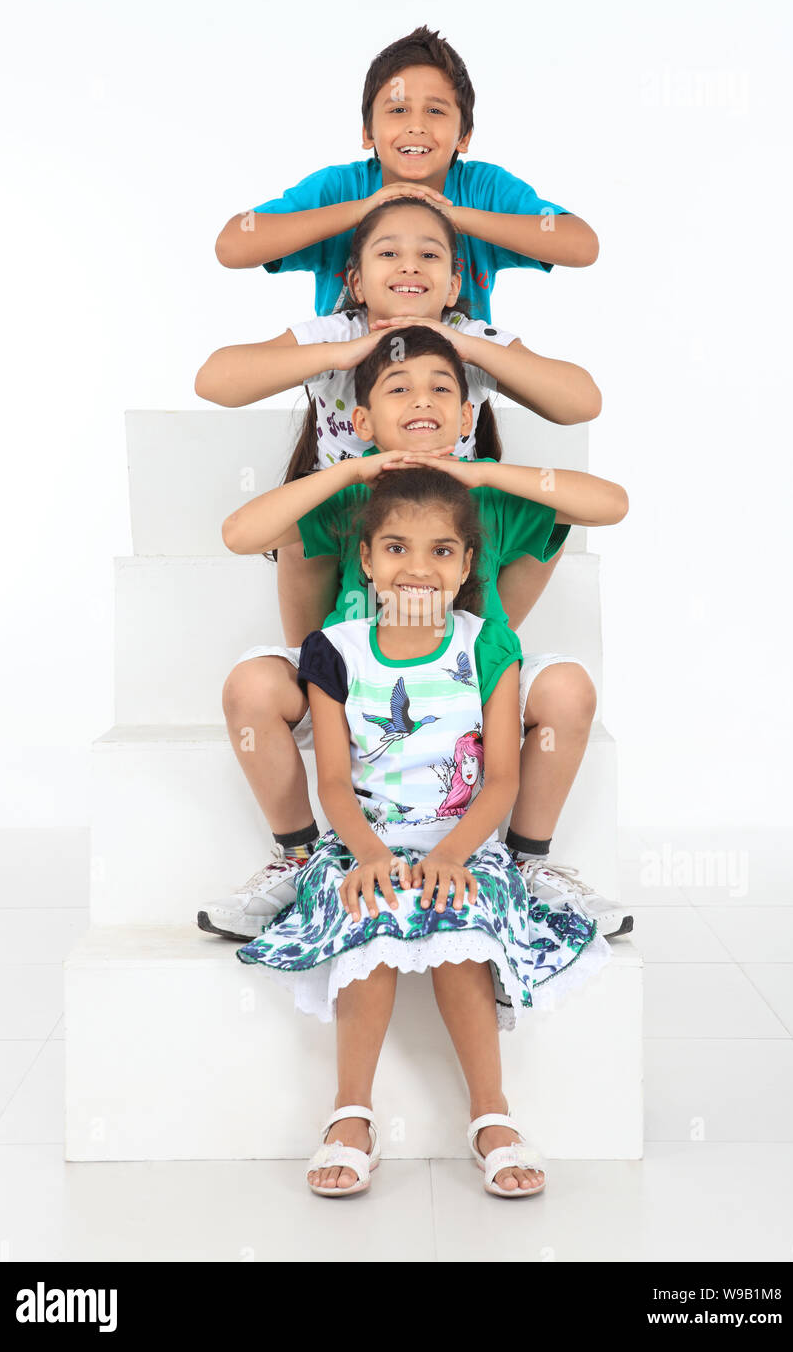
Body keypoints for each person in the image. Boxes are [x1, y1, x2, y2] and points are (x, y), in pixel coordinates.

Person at [236, 466, 613, 1197]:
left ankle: (491, 1115)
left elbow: (500, 778)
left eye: (442, 551)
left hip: (461, 839)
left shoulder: (487, 649)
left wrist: (450, 853)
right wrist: (370, 852)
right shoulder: (335, 651)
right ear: (368, 561)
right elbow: (336, 782)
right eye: (398, 548)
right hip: (366, 839)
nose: (418, 567)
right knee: (372, 911)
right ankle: (350, 1114)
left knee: (459, 918)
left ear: (469, 565)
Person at [197, 326, 630, 945]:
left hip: (470, 683)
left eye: (441, 389)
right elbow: (240, 532)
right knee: (251, 685)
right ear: (365, 421)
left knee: (568, 689)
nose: (423, 400)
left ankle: (529, 864)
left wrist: (484, 476)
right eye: (399, 388)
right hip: (357, 687)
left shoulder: (490, 495)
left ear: (465, 415)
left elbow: (611, 503)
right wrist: (353, 473)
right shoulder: (351, 496)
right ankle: (300, 860)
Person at [196, 195, 601, 644]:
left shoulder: (469, 336)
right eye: (389, 253)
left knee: (541, 524)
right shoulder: (339, 333)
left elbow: (582, 402)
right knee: (299, 530)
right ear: (356, 282)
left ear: (452, 286)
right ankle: (310, 665)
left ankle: (486, 650)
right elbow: (215, 381)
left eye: (429, 255)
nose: (409, 267)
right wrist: (343, 354)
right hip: (350, 501)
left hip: (441, 503)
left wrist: (460, 344)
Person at [213, 25, 598, 323]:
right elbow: (233, 245)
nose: (416, 126)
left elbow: (581, 245)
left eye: (435, 111)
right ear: (368, 133)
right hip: (349, 406)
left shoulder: (484, 189)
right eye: (397, 111)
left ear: (463, 135)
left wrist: (452, 216)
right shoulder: (339, 188)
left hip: (447, 409)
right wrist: (360, 211)